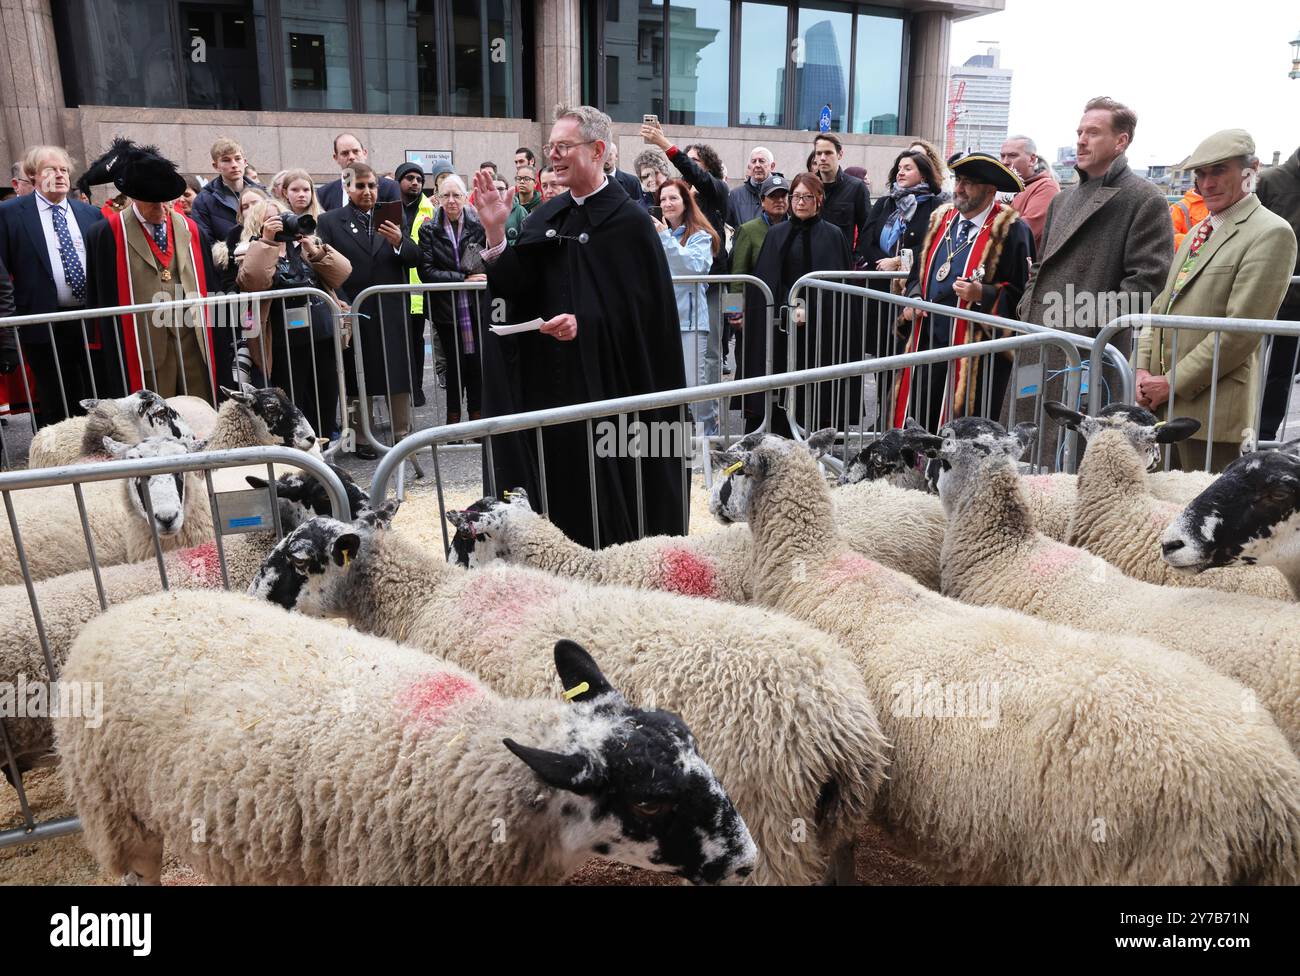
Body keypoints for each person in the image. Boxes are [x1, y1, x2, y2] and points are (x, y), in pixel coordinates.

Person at [473, 104, 688, 549]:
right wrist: (495, 238)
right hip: (554, 392)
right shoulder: (546, 217)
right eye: (550, 146)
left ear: (597, 150)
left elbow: (646, 318)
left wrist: (585, 322)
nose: (552, 154)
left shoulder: (630, 223)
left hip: (613, 395)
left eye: (563, 146)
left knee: (611, 503)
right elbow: (517, 289)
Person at [1135, 131, 1298, 472]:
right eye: (1200, 174)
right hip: (1164, 407)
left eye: (1218, 171)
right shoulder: (1198, 231)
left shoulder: (1272, 232)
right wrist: (1141, 369)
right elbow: (1161, 308)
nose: (1206, 183)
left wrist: (1170, 383)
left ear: (1250, 171)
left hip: (1213, 416)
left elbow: (1240, 332)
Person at [1018, 96, 1172, 449]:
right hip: (1039, 342)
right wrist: (1029, 308)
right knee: (1030, 446)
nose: (1081, 140)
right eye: (1079, 132)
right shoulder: (1062, 200)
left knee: (1073, 458)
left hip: (1088, 354)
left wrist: (1084, 327)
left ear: (1121, 141)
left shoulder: (1144, 198)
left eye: (1093, 132)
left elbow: (1145, 283)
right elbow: (1040, 266)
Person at [891, 152, 1033, 433]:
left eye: (968, 183)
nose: (958, 189)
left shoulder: (1012, 230)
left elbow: (1024, 297)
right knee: (920, 419)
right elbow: (917, 273)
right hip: (928, 341)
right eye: (958, 180)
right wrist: (914, 298)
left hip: (974, 356)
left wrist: (984, 294)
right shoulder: (940, 220)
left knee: (962, 434)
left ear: (991, 190)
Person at [83, 139, 221, 401]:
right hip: (143, 345)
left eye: (166, 202)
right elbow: (98, 294)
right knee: (152, 418)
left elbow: (210, 285)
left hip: (192, 339)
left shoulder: (191, 230)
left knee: (202, 409)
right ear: (134, 197)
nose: (161, 210)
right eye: (153, 203)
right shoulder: (106, 234)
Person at [316, 162, 419, 458]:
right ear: (348, 188)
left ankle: (403, 435)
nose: (367, 191)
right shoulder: (331, 221)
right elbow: (326, 267)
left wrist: (399, 241)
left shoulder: (394, 216)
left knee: (396, 372)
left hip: (390, 309)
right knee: (356, 371)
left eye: (372, 185)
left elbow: (414, 259)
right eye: (360, 186)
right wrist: (342, 301)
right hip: (354, 307)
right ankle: (361, 437)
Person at [0, 145, 106, 425]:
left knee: (94, 393)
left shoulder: (89, 214)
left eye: (63, 170)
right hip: (42, 321)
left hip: (88, 319)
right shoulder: (10, 214)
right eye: (50, 170)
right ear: (33, 176)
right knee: (55, 398)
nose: (59, 176)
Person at [742, 172, 852, 436]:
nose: (800, 202)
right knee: (780, 377)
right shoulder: (776, 235)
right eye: (796, 196)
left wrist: (812, 309)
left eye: (807, 197)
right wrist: (787, 307)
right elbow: (765, 280)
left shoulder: (834, 236)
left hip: (821, 330)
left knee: (816, 381)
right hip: (781, 327)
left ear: (819, 200)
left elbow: (838, 286)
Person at [234, 197, 350, 442]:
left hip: (322, 337)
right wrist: (267, 241)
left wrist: (315, 251)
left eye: (283, 216)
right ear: (260, 223)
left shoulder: (306, 246)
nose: (282, 223)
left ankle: (325, 449)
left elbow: (342, 273)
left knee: (326, 399)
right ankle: (299, 456)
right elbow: (254, 282)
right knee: (292, 403)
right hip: (283, 343)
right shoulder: (251, 249)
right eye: (272, 218)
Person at [418, 174, 487, 427]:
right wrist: (461, 279)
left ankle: (477, 420)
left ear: (465, 197)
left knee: (475, 365)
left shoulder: (478, 224)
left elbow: (487, 261)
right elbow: (426, 271)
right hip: (446, 311)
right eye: (445, 195)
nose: (451, 201)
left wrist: (475, 279)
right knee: (455, 368)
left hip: (475, 308)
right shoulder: (429, 228)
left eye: (456, 195)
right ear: (437, 197)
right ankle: (454, 422)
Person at [653, 178, 719, 434]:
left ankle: (708, 436)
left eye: (673, 198)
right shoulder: (659, 234)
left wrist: (664, 237)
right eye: (663, 199)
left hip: (691, 322)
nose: (667, 204)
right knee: (665, 384)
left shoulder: (700, 236)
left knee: (694, 384)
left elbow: (692, 267)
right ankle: (671, 441)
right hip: (662, 320)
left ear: (685, 202)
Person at [1258, 144, 1300, 440]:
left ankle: (1266, 436)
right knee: (1251, 371)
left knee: (1282, 376)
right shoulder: (1272, 181)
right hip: (1266, 296)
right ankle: (1254, 436)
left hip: (1296, 304)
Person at [391, 161, 436, 409]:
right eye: (409, 178)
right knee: (397, 340)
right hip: (395, 284)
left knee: (416, 341)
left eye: (419, 179)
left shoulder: (430, 208)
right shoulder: (390, 208)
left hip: (419, 287)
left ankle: (416, 388)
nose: (415, 182)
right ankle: (399, 388)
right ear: (399, 181)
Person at [811, 133, 870, 267]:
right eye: (819, 153)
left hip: (841, 267)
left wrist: (855, 258)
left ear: (840, 154)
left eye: (828, 153)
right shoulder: (808, 185)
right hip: (809, 264)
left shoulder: (857, 187)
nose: (823, 158)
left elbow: (866, 229)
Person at [191, 137, 264, 245]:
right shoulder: (203, 201)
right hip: (227, 259)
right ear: (216, 166)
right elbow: (206, 244)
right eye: (226, 160)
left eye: (237, 158)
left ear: (245, 162)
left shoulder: (263, 193)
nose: (234, 165)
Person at [1001, 135, 1059, 250]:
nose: (1005, 162)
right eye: (1002, 156)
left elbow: (1024, 232)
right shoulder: (1004, 187)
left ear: (1032, 159)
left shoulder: (1046, 187)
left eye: (1012, 156)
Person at [317, 134, 400, 211]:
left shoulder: (390, 187)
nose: (351, 157)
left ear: (365, 153)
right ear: (336, 158)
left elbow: (402, 225)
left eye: (355, 151)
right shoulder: (323, 194)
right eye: (345, 153)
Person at [727, 147, 776, 228]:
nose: (757, 165)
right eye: (753, 161)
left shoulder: (782, 194)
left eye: (761, 161)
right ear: (749, 167)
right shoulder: (735, 195)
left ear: (772, 166)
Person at [504, 164, 542, 243]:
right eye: (519, 178)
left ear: (535, 183)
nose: (521, 182)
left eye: (526, 179)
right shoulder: (509, 206)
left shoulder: (542, 206)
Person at [1169, 186, 1208, 251]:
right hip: (1191, 256)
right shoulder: (1179, 208)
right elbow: (1170, 237)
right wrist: (1195, 243)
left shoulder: (1220, 203)